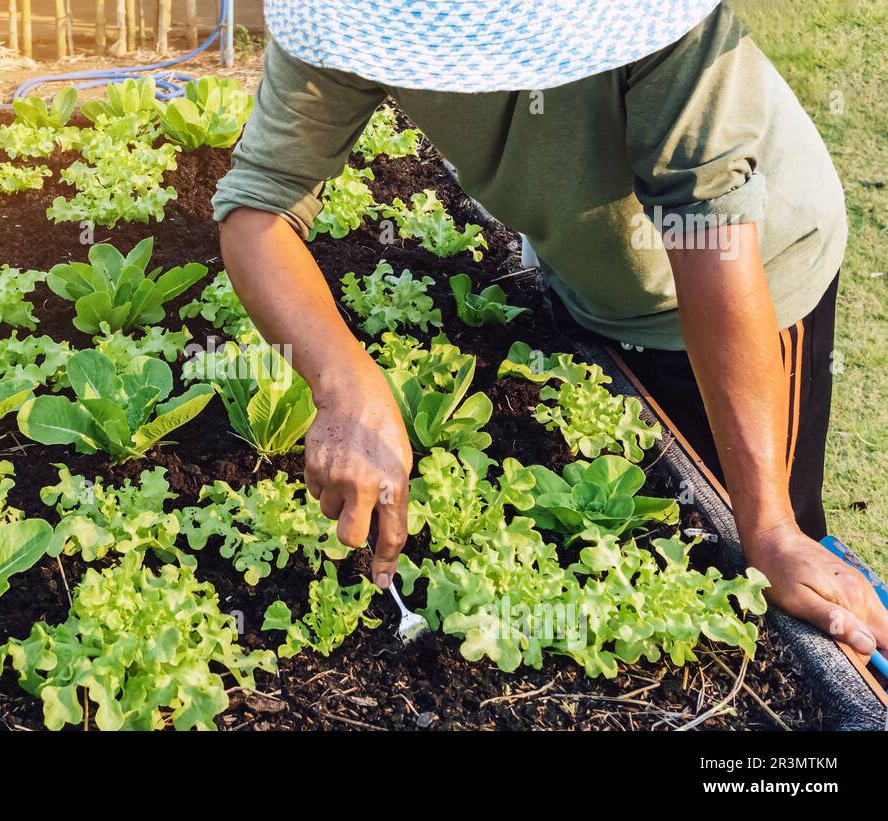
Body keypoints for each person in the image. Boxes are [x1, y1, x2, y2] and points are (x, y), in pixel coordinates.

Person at [212, 0, 888, 656]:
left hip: (754, 275)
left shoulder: (660, 23)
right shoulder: (357, 12)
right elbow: (256, 208)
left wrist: (770, 525)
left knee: (766, 572)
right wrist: (343, 382)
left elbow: (709, 226)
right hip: (587, 270)